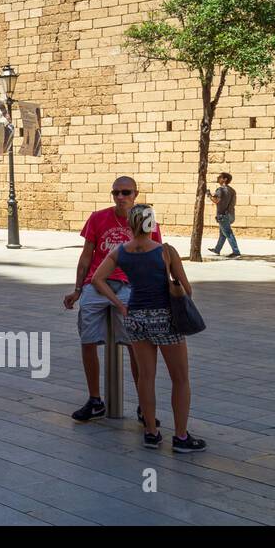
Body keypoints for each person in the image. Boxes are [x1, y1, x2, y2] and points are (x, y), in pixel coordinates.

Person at [91, 204, 204, 452]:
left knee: (146, 377)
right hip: (166, 319)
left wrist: (121, 305)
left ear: (131, 224)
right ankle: (181, 437)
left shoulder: (121, 252)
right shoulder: (166, 252)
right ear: (151, 223)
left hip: (136, 318)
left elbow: (98, 279)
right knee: (180, 379)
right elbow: (186, 288)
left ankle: (151, 433)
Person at [62, 175, 159, 423]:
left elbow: (155, 256)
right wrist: (77, 289)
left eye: (126, 192)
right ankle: (95, 400)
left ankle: (143, 403)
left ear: (136, 194)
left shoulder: (146, 218)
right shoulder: (98, 218)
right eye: (115, 192)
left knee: (134, 345)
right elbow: (86, 257)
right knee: (87, 339)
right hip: (96, 282)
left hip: (130, 284)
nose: (120, 197)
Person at [208, 172, 241, 258]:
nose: (218, 178)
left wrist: (208, 195)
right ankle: (217, 249)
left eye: (220, 177)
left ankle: (236, 251)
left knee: (228, 233)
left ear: (225, 179)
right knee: (223, 233)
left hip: (223, 215)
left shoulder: (220, 189)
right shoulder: (232, 190)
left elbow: (216, 200)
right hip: (230, 215)